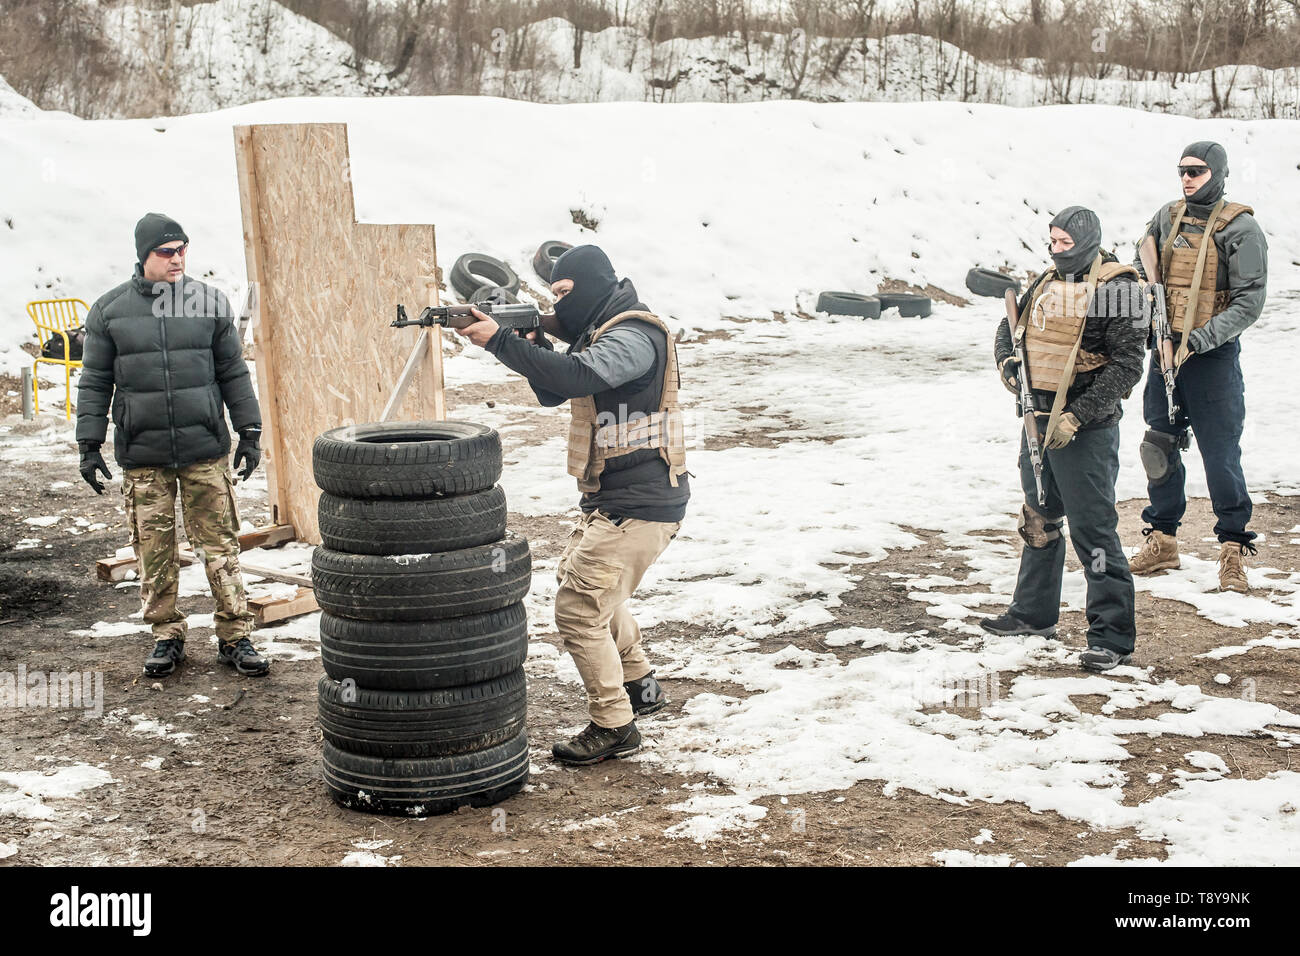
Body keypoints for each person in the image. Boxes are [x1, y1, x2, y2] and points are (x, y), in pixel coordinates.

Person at [455, 245, 690, 764]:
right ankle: (638, 682)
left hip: (642, 502)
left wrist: (501, 341)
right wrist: (528, 341)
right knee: (592, 589)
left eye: (565, 293)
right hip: (619, 498)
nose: (559, 303)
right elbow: (551, 391)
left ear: (594, 286)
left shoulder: (633, 335)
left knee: (579, 608)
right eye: (553, 295)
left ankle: (614, 726)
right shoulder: (600, 329)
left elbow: (576, 377)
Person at [76, 213, 270, 677]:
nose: (177, 258)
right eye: (166, 251)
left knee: (220, 547)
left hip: (204, 448)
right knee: (154, 551)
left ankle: (235, 635)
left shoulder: (209, 303)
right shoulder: (110, 310)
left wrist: (250, 430)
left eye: (183, 248)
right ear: (144, 255)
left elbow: (233, 373)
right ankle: (167, 635)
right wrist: (88, 443)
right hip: (144, 456)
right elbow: (95, 381)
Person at [983, 207, 1147, 672]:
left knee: (1094, 530)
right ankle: (1032, 614)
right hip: (1036, 418)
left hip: (1084, 429)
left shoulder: (1121, 288)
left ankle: (1111, 637)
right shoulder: (1046, 281)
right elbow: (1010, 330)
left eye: (1063, 243)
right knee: (1039, 516)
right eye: (1051, 242)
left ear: (1085, 240)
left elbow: (1127, 366)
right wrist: (1006, 365)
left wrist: (1077, 416)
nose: (1055, 251)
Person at [1128, 141, 1268, 593]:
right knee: (1158, 448)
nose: (1187, 179)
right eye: (1183, 170)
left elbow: (1249, 302)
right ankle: (1163, 539)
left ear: (1218, 174)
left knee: (1220, 455)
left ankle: (1232, 548)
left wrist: (1198, 341)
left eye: (1197, 171)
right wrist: (1156, 329)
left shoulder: (1241, 229)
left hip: (1211, 359)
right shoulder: (1167, 218)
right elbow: (1142, 270)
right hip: (1164, 353)